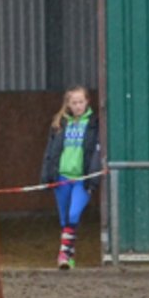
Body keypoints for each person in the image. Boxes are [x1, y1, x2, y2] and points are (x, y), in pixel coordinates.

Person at [40, 87, 103, 269]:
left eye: (81, 102)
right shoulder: (60, 124)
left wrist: (93, 180)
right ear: (68, 104)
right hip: (62, 177)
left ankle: (63, 255)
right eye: (74, 103)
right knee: (65, 220)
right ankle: (70, 252)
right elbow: (50, 152)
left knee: (74, 214)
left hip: (82, 178)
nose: (77, 106)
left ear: (87, 102)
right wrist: (47, 176)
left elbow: (96, 153)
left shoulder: (94, 124)